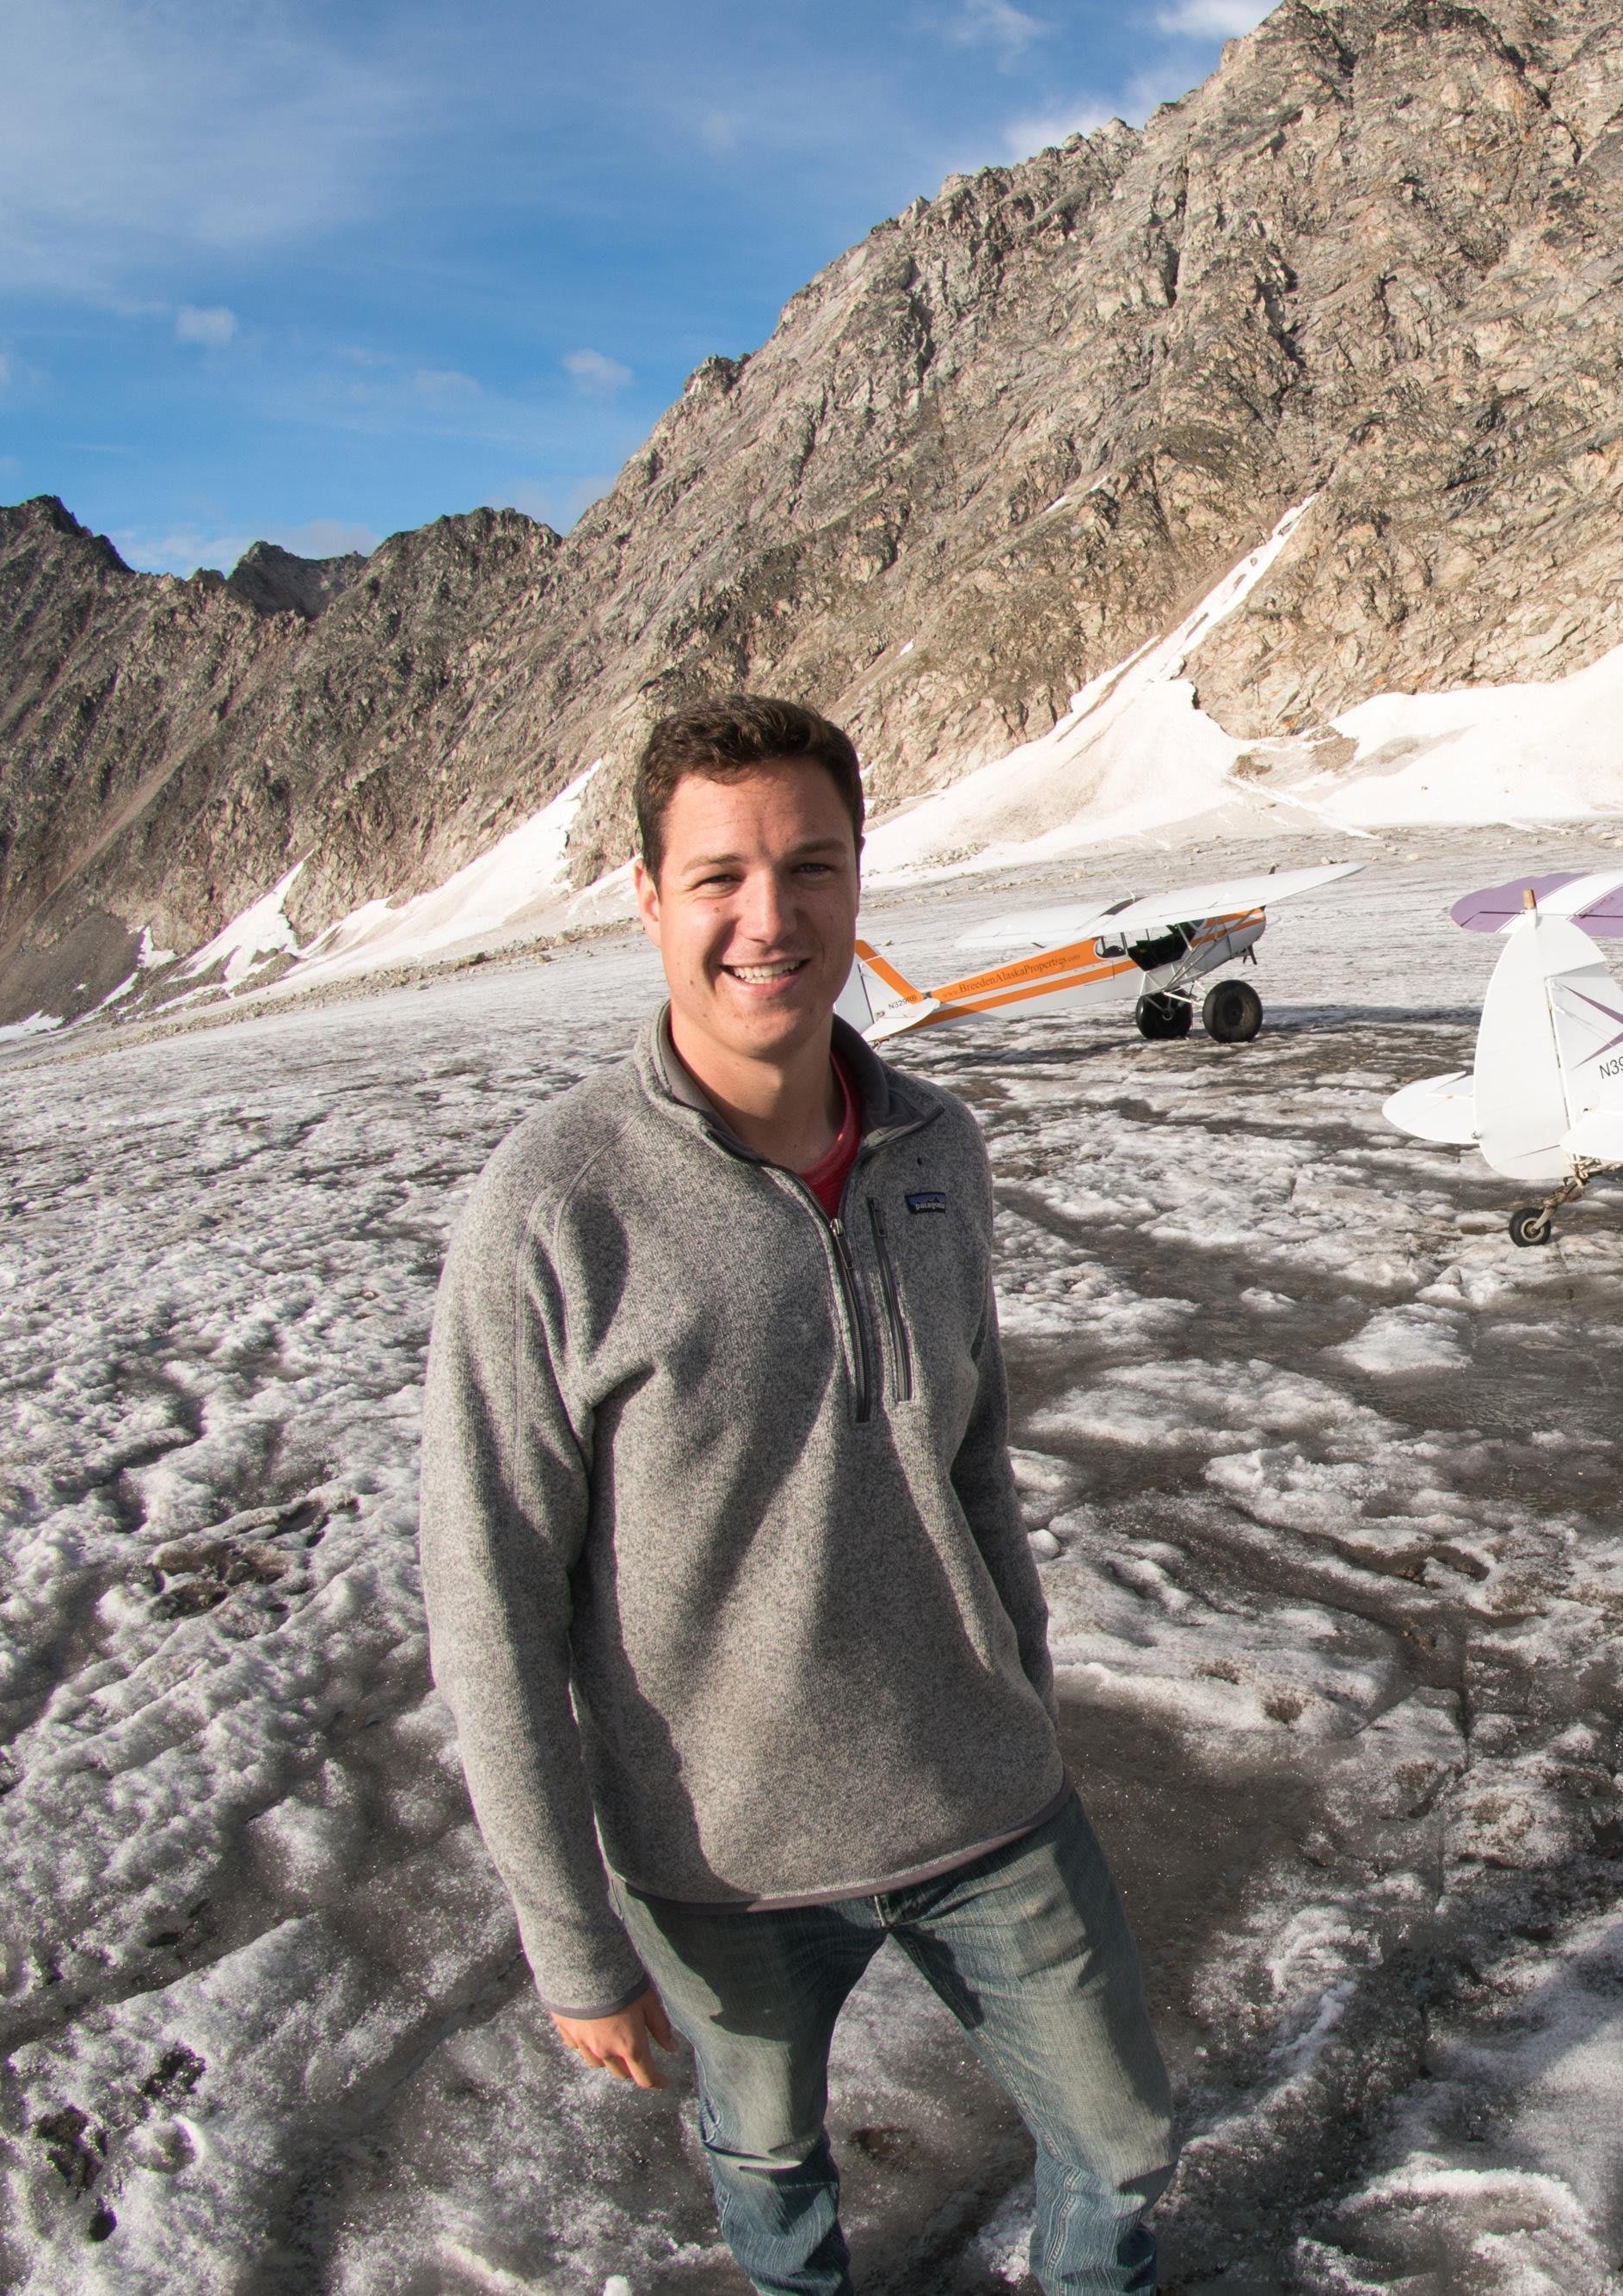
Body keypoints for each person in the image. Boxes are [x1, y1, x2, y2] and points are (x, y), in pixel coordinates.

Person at [418, 696, 1176, 2296]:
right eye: (720, 877)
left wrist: (1022, 1689)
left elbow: (972, 1458)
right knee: (773, 2189)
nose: (770, 919)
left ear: (856, 883)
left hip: (983, 1792)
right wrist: (572, 1939)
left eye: (810, 867)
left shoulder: (934, 1144)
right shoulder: (556, 1206)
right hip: (723, 1853)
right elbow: (489, 1594)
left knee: (1119, 2145)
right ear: (647, 899)